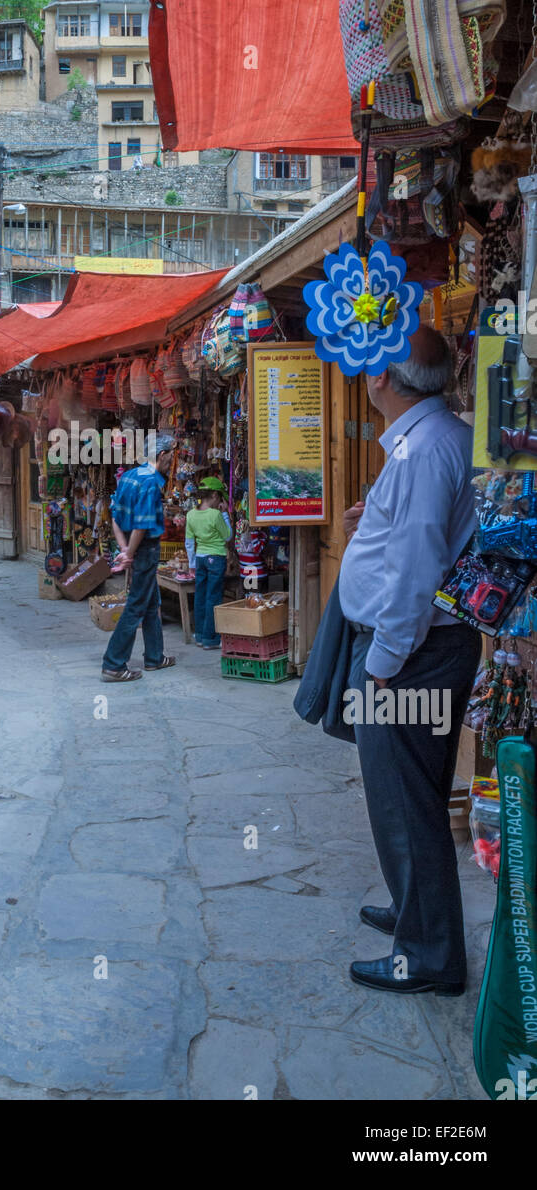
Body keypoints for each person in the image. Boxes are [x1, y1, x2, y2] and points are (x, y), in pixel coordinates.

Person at [337, 326, 480, 996]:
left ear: (383, 381)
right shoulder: (433, 438)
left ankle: (429, 955)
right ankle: (412, 908)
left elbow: (418, 563)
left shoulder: (424, 448)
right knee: (397, 794)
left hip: (414, 653)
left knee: (406, 799)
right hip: (420, 647)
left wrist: (387, 660)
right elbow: (418, 534)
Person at [101, 433, 178, 682]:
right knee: (135, 607)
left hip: (135, 547)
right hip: (145, 549)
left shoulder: (130, 476)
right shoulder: (150, 483)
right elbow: (142, 526)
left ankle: (155, 657)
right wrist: (130, 554)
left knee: (151, 602)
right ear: (163, 454)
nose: (172, 462)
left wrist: (124, 550)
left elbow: (115, 516)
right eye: (171, 456)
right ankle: (113, 664)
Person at [185, 477, 231, 649]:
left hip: (200, 558)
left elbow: (189, 542)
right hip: (216, 557)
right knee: (213, 597)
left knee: (200, 596)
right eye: (219, 497)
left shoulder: (190, 514)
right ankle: (210, 639)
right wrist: (225, 514)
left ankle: (200, 636)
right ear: (213, 495)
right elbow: (227, 536)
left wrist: (191, 563)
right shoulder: (215, 514)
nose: (220, 501)